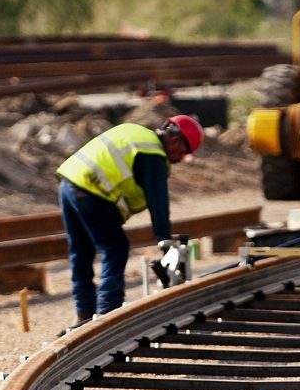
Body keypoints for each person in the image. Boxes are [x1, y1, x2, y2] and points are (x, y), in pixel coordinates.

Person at [56, 114, 204, 326]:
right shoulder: (152, 153)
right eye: (183, 152)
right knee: (115, 248)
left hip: (69, 183)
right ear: (174, 140)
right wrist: (164, 240)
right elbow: (158, 202)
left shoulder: (136, 134)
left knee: (81, 252)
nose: (181, 158)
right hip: (92, 190)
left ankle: (84, 314)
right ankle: (108, 315)